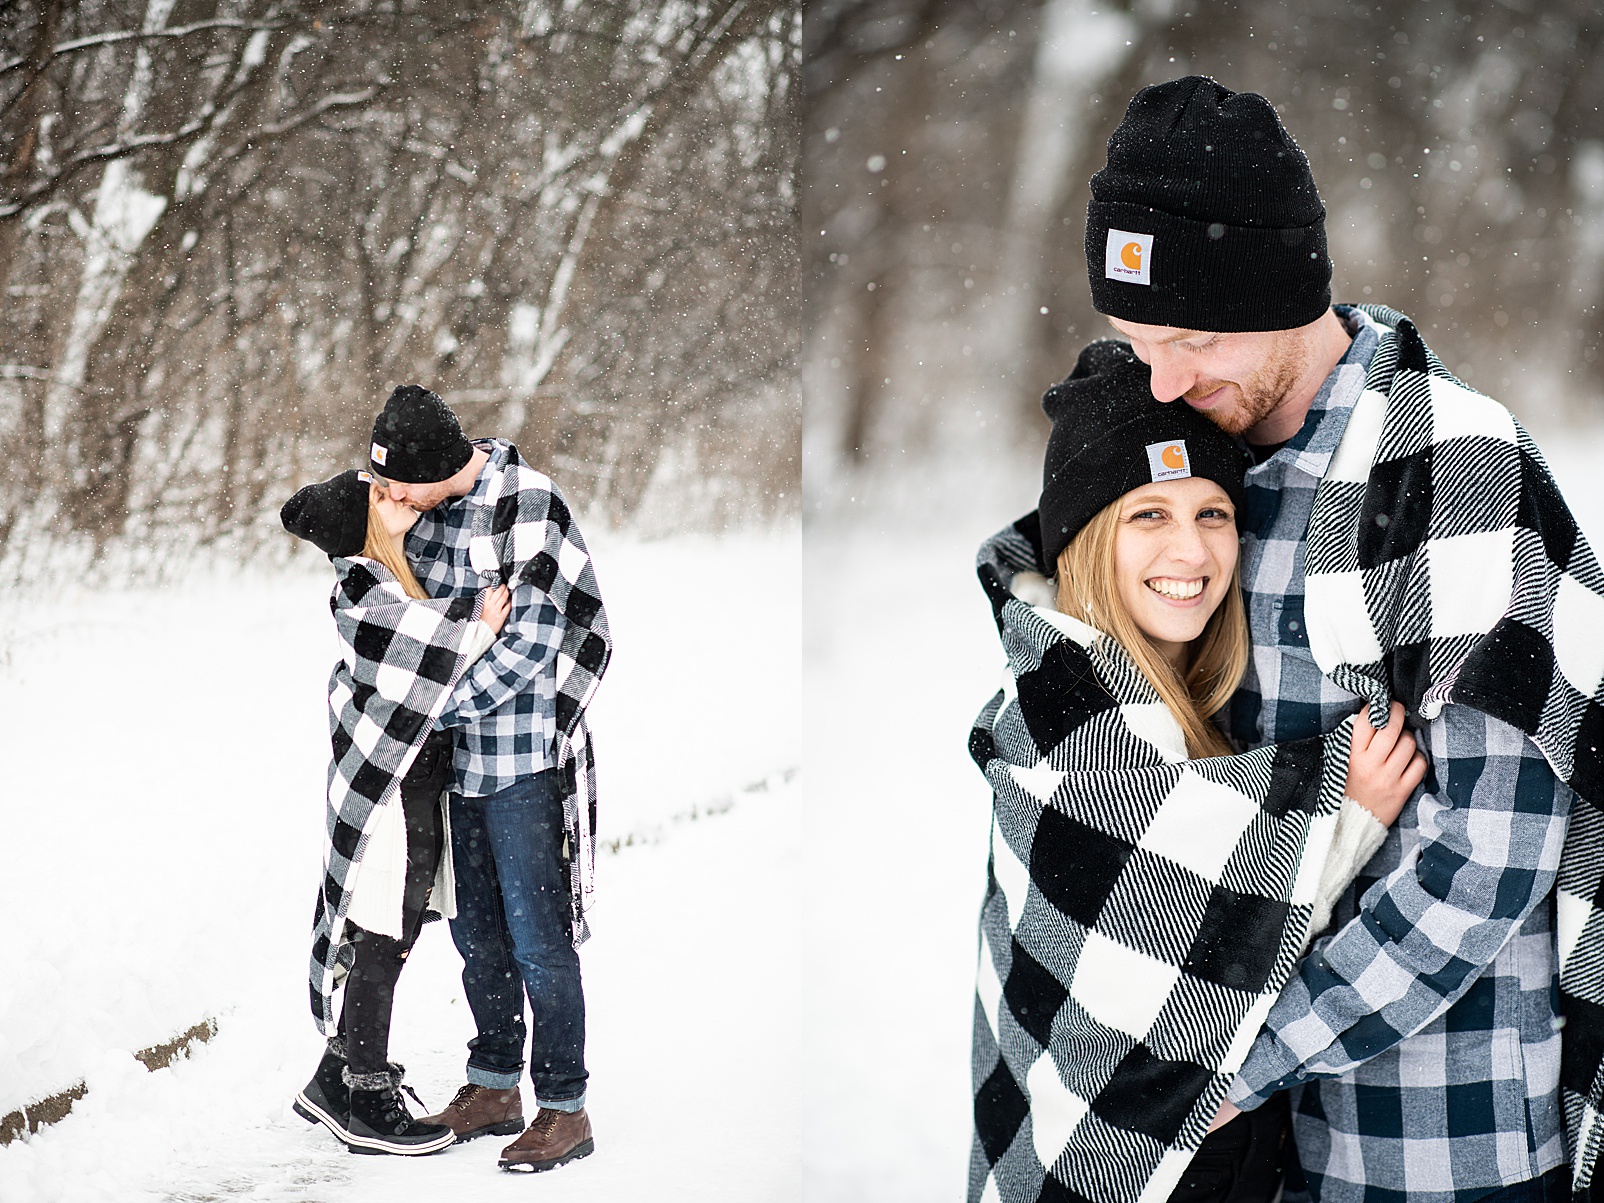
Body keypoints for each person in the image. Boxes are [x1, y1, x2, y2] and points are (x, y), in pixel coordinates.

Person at [1079, 75, 1604, 1202]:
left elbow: (1490, 852)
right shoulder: (1184, 452)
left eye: (1190, 338)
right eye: (1134, 341)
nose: (1163, 378)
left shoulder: (1450, 467)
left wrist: (1241, 1057)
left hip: (1426, 1134)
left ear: (1280, 292)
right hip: (1237, 1144)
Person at [970, 339, 1426, 1203]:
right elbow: (1180, 949)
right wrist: (1347, 812)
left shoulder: (1154, 690)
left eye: (1212, 512)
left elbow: (1192, 884)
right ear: (1087, 537)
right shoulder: (1067, 714)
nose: (1192, 551)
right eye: (1149, 514)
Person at [363, 385, 612, 1174]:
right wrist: (388, 542)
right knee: (476, 935)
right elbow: (397, 620)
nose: (391, 496)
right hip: (452, 767)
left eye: (399, 483)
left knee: (539, 939)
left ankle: (564, 1106)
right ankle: (495, 1085)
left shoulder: (527, 504)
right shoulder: (416, 514)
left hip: (520, 760)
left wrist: (431, 703)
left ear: (437, 465)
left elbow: (530, 645)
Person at [279, 468, 511, 1155]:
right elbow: (410, 668)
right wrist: (477, 626)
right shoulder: (360, 588)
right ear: (363, 526)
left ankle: (335, 1077)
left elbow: (419, 646)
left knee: (386, 932)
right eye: (380, 496)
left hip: (407, 787)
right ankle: (367, 1100)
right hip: (391, 794)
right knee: (383, 938)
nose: (397, 495)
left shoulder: (389, 578)